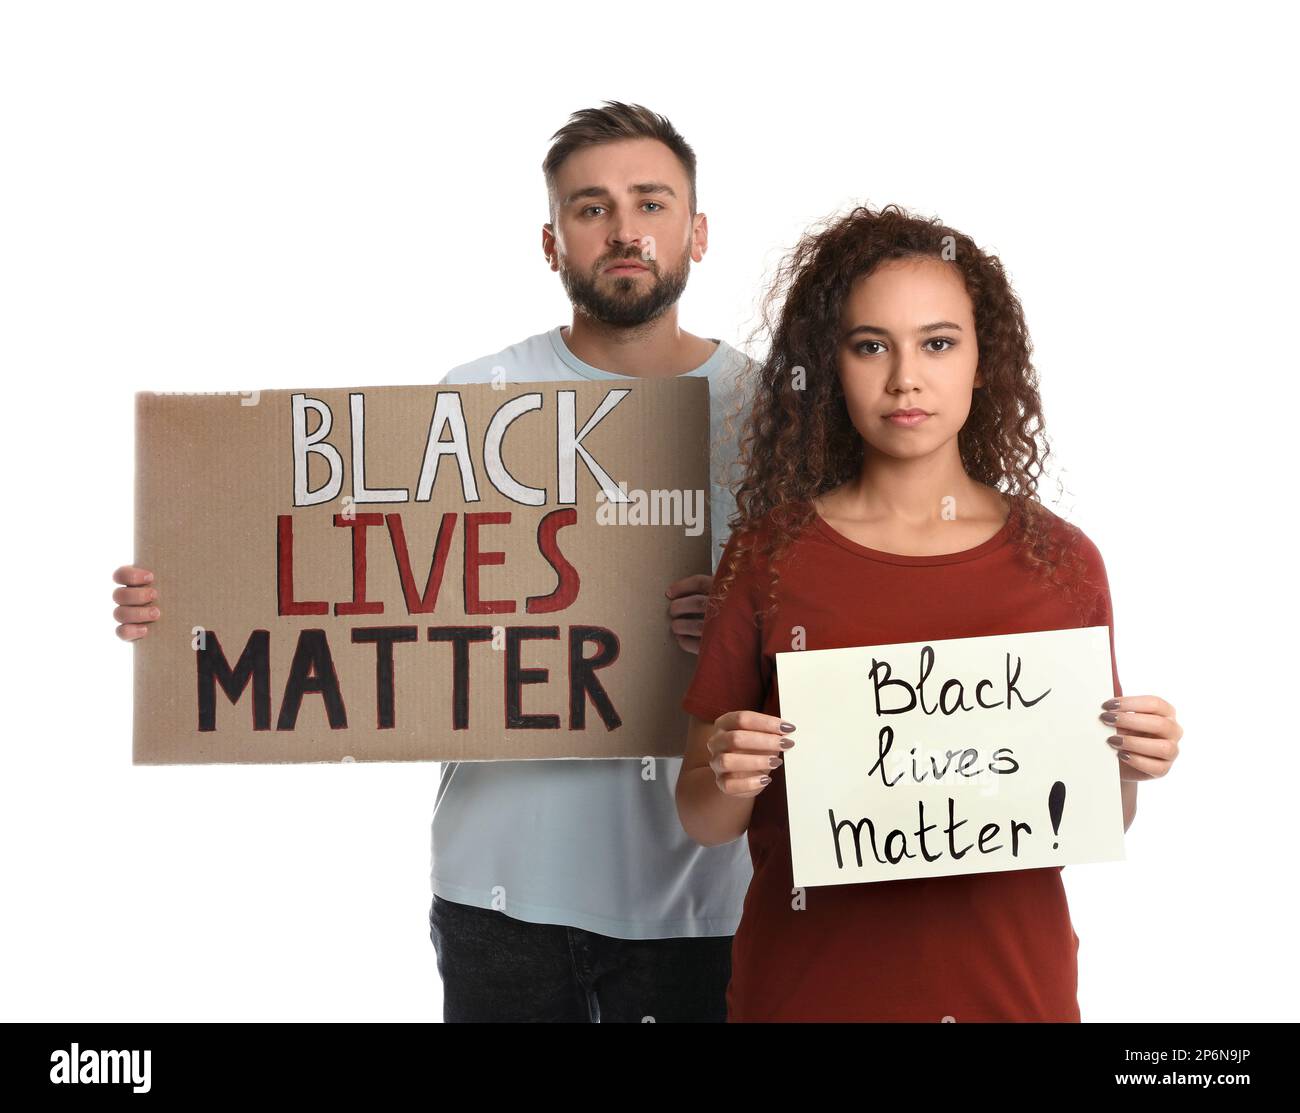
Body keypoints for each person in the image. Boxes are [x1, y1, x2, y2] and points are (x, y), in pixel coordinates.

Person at [113, 102, 753, 1022]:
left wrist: (735, 627)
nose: (624, 231)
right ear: (551, 241)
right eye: (590, 207)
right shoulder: (476, 398)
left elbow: (828, 621)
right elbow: (359, 578)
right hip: (500, 900)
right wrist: (187, 605)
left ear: (696, 231)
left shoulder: (771, 411)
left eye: (651, 204)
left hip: (701, 902)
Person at [675, 203, 1184, 1022]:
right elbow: (700, 816)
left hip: (1010, 996)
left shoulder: (1062, 560)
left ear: (984, 360)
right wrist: (733, 772)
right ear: (830, 364)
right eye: (870, 344)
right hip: (805, 996)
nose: (904, 376)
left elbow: (1093, 809)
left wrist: (1130, 763)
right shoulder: (767, 556)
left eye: (938, 342)